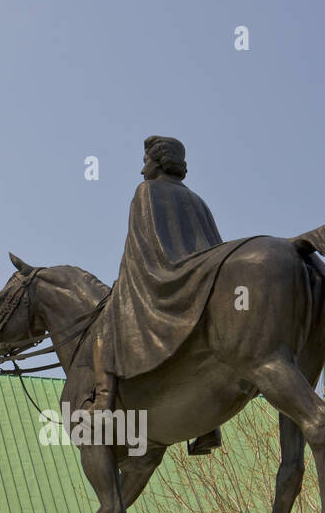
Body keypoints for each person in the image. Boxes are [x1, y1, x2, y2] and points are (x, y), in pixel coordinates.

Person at [87, 135, 224, 454]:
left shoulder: (145, 192)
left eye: (145, 161)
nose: (141, 169)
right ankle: (210, 425)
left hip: (161, 279)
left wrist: (122, 290)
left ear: (159, 162)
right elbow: (216, 247)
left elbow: (137, 252)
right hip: (199, 286)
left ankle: (104, 402)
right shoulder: (198, 200)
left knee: (104, 326)